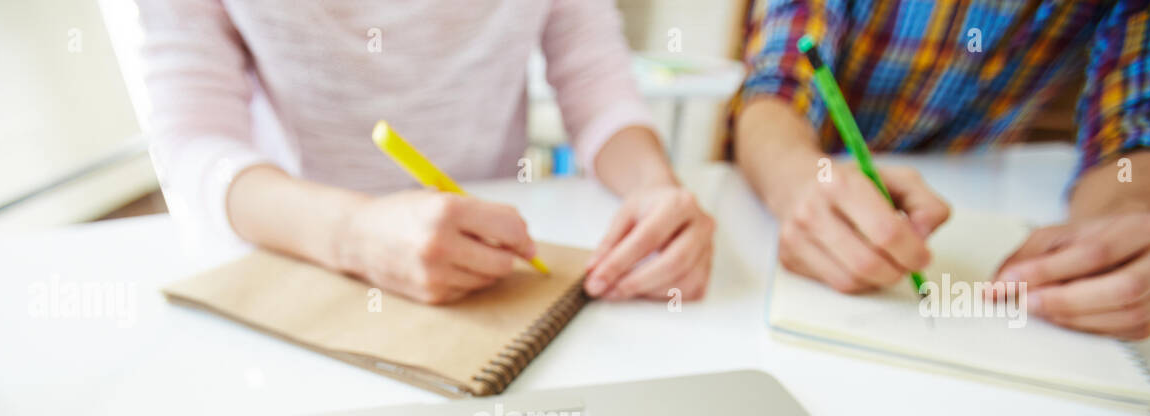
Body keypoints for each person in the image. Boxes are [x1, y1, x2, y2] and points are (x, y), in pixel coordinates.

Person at [119, 1, 714, 305]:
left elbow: (597, 84)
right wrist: (352, 232)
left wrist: (655, 187)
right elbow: (194, 142)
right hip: (298, 256)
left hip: (494, 270)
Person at [729, 0, 1150, 340]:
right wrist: (800, 179)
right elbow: (776, 83)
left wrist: (1126, 220)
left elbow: (1141, 125)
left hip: (984, 190)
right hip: (790, 190)